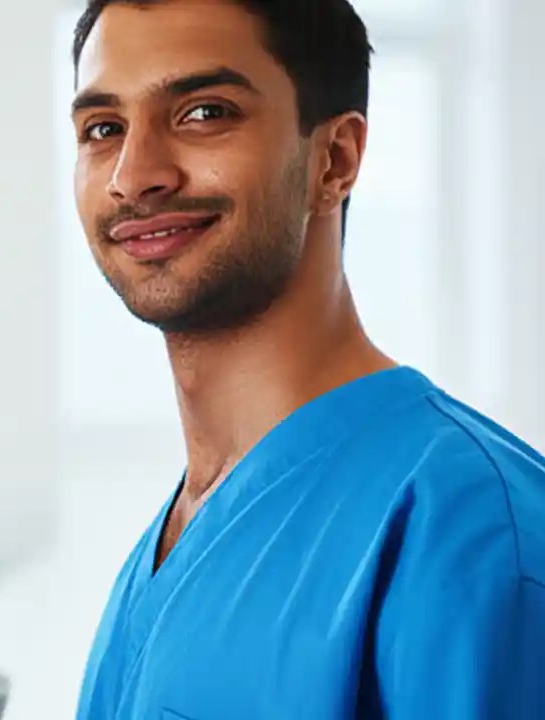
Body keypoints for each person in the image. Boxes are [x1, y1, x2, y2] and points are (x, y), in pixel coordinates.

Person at [69, 0, 545, 718]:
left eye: (204, 113)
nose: (134, 176)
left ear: (335, 159)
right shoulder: (175, 540)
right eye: (104, 129)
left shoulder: (469, 527)